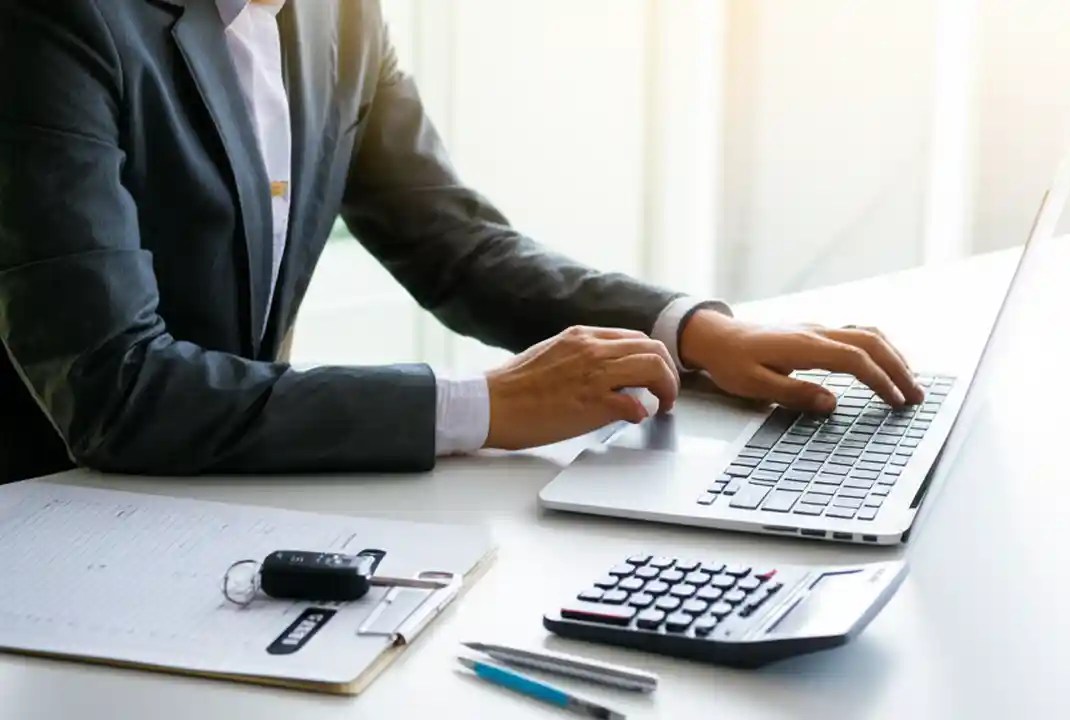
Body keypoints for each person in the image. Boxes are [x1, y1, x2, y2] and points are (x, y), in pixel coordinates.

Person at [0, 0, 924, 484]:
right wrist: (481, 406)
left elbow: (452, 241)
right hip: (43, 529)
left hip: (206, 499)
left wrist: (688, 330)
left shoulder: (338, 14)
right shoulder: (54, 20)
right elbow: (114, 389)